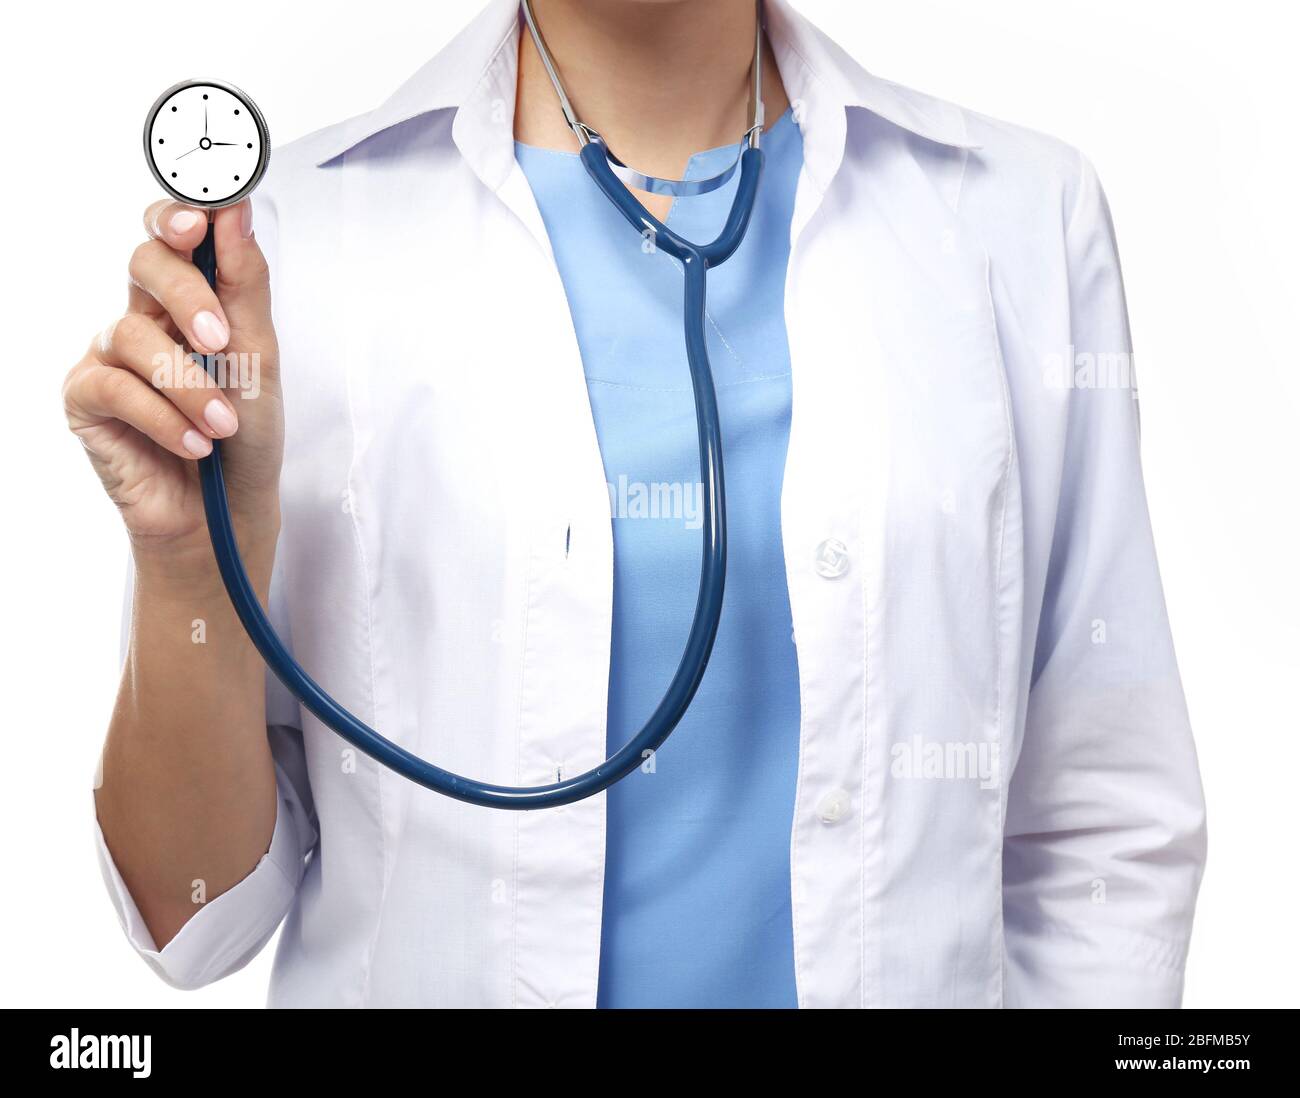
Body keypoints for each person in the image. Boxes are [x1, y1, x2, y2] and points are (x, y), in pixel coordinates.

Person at [65, 0, 1206, 1008]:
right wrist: (189, 568)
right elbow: (194, 913)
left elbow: (1104, 817)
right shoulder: (293, 249)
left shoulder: (1013, 218)